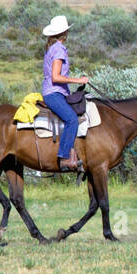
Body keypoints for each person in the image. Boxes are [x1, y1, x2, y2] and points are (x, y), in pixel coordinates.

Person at [41, 15, 88, 171]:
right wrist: (78, 81)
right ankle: (65, 157)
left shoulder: (52, 47)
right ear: (65, 33)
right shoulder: (59, 49)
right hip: (54, 93)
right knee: (72, 119)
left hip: (54, 92)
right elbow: (56, 76)